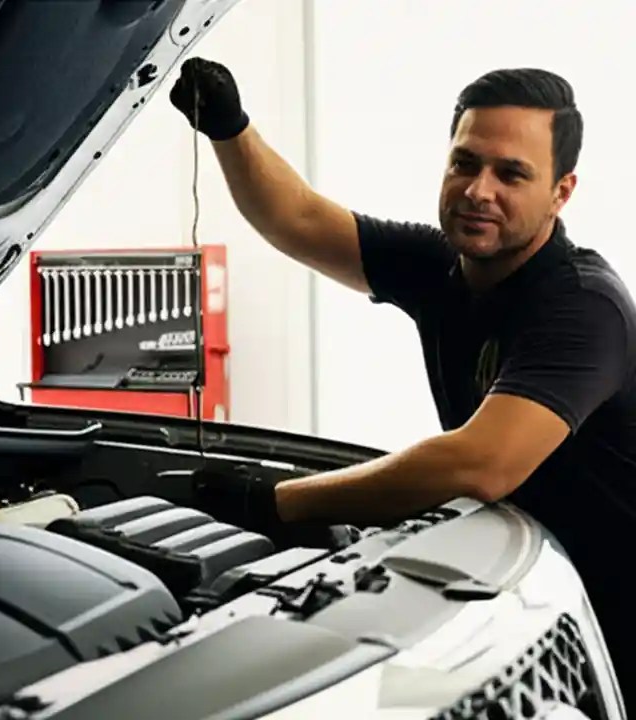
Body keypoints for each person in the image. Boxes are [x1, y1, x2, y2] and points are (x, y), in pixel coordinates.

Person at [168, 58, 636, 700]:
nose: (478, 191)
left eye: (511, 174)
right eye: (465, 163)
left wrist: (275, 500)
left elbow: (480, 463)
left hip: (614, 629)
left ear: (561, 192)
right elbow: (299, 219)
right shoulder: (442, 264)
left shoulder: (582, 306)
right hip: (539, 608)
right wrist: (229, 126)